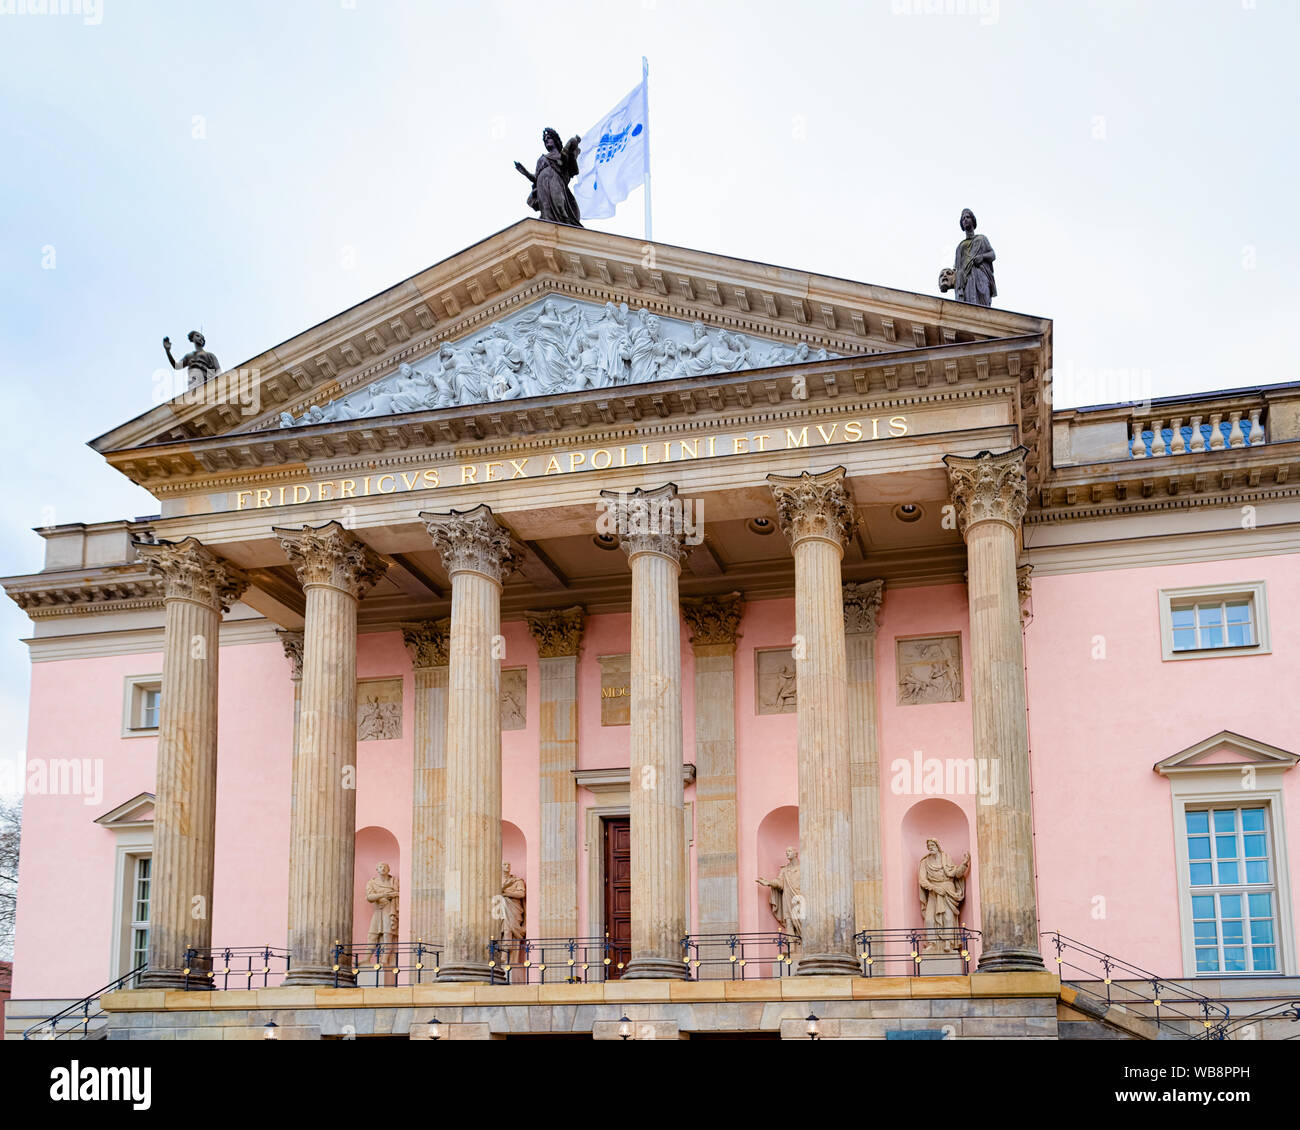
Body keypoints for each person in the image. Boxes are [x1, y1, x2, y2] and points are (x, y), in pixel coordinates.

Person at [515, 128, 583, 227]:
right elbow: (536, 177)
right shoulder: (542, 159)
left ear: (555, 140)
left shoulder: (562, 155)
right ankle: (548, 229)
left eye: (549, 138)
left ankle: (567, 227)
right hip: (542, 185)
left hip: (555, 182)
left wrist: (572, 150)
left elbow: (573, 170)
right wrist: (524, 172)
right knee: (546, 209)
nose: (547, 140)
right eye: (545, 139)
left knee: (559, 205)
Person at [918, 838, 969, 952]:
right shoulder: (924, 862)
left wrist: (964, 864)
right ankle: (931, 943)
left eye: (932, 845)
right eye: (928, 846)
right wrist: (934, 888)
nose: (930, 847)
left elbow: (956, 874)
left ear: (937, 845)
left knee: (948, 917)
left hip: (947, 891)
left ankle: (948, 943)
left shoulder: (946, 858)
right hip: (934, 892)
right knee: (929, 919)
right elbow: (922, 880)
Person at [942, 208, 997, 306]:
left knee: (984, 303)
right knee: (968, 304)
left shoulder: (981, 239)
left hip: (980, 274)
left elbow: (992, 255)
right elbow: (957, 268)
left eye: (968, 217)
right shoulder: (960, 246)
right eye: (963, 219)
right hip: (966, 278)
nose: (965, 220)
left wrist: (982, 257)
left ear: (973, 220)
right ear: (961, 224)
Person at [756, 846, 803, 941]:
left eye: (789, 851)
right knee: (789, 920)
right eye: (786, 851)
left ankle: (804, 941)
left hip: (799, 897)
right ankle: (792, 947)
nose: (787, 853)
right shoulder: (784, 870)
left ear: (796, 853)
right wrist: (769, 883)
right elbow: (779, 882)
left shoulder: (803, 868)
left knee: (801, 919)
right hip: (787, 896)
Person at [366, 862, 400, 951]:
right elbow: (369, 897)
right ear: (377, 870)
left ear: (389, 870)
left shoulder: (393, 881)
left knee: (387, 934)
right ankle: (366, 959)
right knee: (372, 935)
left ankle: (384, 960)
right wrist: (382, 895)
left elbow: (399, 893)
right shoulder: (372, 882)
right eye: (380, 867)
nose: (383, 868)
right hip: (378, 910)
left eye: (385, 867)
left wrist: (393, 895)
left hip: (389, 909)